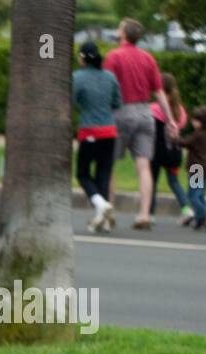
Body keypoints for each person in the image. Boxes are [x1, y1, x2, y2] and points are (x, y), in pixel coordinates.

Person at [104, 18, 180, 230]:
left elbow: (107, 86)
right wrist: (170, 120)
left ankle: (109, 211)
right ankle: (144, 214)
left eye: (119, 28)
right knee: (144, 165)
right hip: (145, 113)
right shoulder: (148, 58)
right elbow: (159, 92)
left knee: (109, 164)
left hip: (120, 112)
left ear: (124, 34)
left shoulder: (113, 57)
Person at [72, 41, 121, 233]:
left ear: (82, 58)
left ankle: (100, 205)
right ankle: (103, 218)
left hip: (89, 131)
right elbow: (117, 102)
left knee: (83, 173)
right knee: (103, 174)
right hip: (110, 131)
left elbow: (70, 100)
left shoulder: (77, 77)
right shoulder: (110, 77)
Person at [148, 73, 192, 225]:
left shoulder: (153, 108)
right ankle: (187, 210)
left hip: (155, 153)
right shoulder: (181, 111)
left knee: (151, 182)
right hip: (174, 153)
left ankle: (150, 214)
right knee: (174, 182)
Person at [181, 106, 206, 231]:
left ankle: (204, 213)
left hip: (197, 169)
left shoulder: (197, 136)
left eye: (196, 120)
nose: (193, 121)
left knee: (193, 196)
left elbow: (185, 142)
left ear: (202, 123)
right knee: (200, 196)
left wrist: (173, 138)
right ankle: (199, 220)